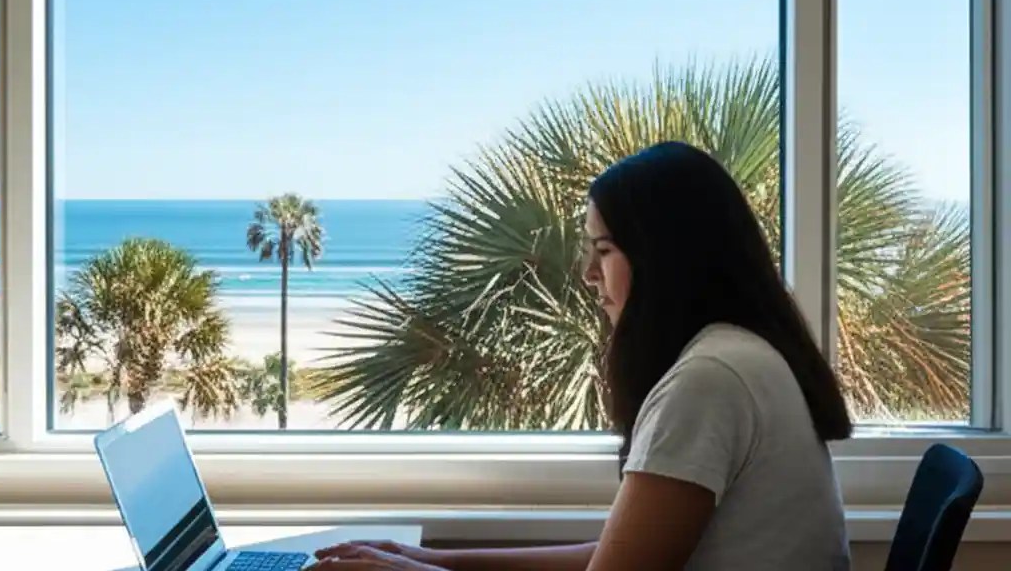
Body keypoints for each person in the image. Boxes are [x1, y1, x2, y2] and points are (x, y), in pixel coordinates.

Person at [304, 141, 853, 571]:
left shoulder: (709, 381)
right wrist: (434, 558)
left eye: (605, 250)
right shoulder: (741, 354)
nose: (590, 274)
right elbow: (619, 552)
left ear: (664, 257)